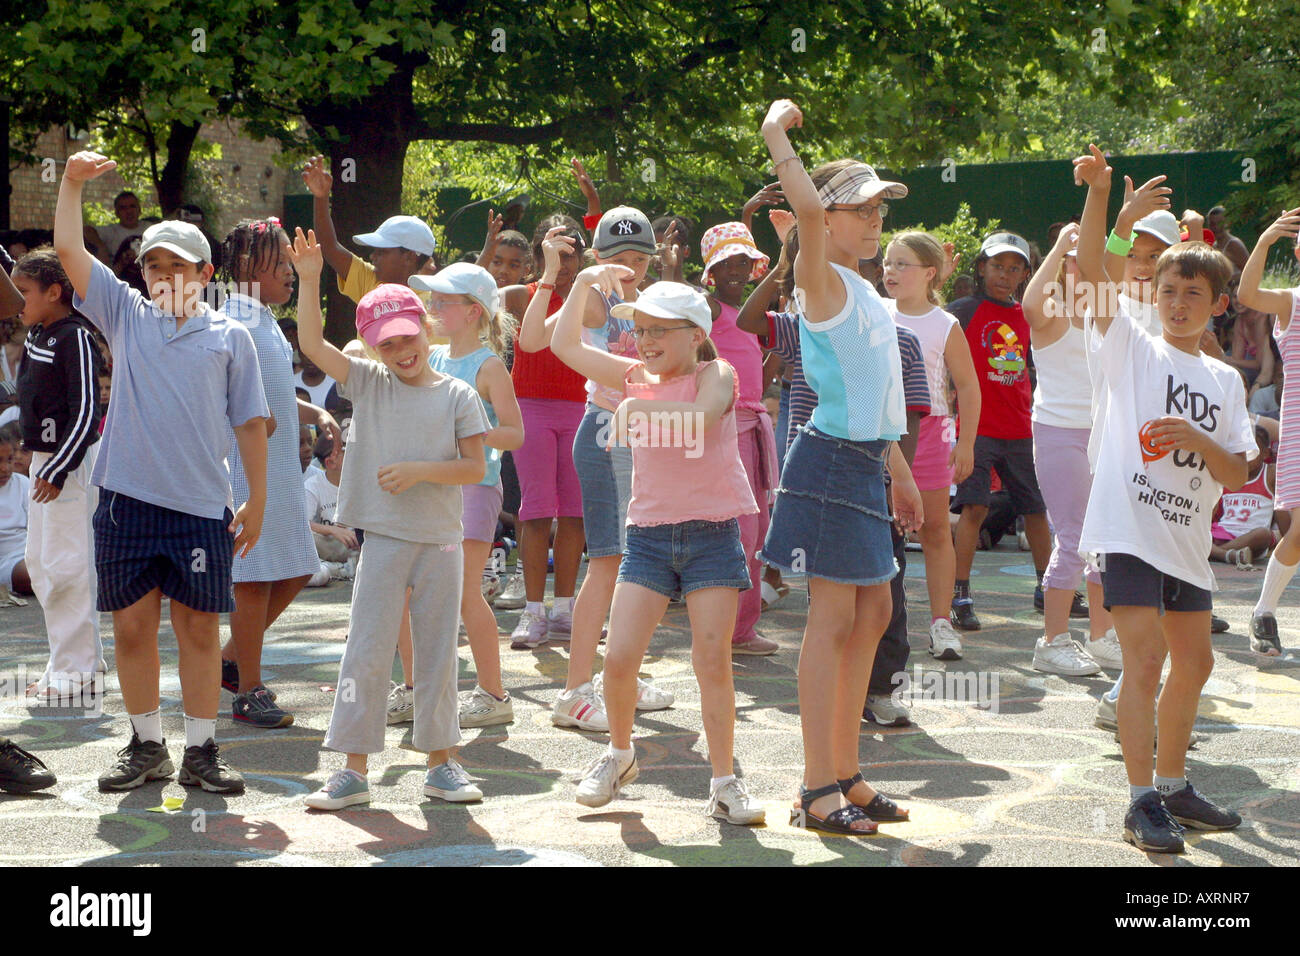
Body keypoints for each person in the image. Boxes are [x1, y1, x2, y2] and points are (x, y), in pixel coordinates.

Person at [55, 150, 268, 795]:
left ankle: (202, 750)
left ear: (205, 273)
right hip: (124, 504)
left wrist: (255, 498)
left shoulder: (234, 336)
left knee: (200, 629)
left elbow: (251, 426)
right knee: (131, 626)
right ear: (141, 273)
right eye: (154, 262)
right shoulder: (124, 315)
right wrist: (68, 183)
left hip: (201, 509)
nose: (166, 273)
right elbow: (67, 252)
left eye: (179, 264)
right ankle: (147, 744)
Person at [1074, 144, 1252, 853]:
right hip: (1129, 531)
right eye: (1168, 291)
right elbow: (1092, 276)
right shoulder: (1134, 347)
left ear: (1219, 304)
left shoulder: (1227, 381)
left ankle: (1175, 784)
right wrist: (1106, 206)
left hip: (1187, 545)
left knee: (1198, 664)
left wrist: (1197, 440)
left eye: (1193, 295)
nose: (1177, 304)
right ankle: (1141, 798)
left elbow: (1236, 473)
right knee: (1143, 661)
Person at [759, 99, 922, 835]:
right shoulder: (821, 279)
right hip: (826, 466)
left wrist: (902, 470)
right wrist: (774, 136)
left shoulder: (868, 294)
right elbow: (808, 217)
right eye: (858, 209)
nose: (873, 220)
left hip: (863, 465)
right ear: (825, 217)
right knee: (831, 621)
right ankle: (814, 788)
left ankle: (848, 772)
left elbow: (878, 397)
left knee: (875, 612)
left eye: (879, 210)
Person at [551, 270, 765, 825]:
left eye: (658, 332)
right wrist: (583, 281)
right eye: (639, 330)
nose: (644, 343)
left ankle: (723, 783)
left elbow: (701, 417)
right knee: (619, 660)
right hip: (646, 537)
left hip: (712, 535)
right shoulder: (632, 375)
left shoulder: (717, 371)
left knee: (711, 660)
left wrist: (635, 410)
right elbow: (563, 344)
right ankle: (619, 758)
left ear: (694, 334)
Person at [291, 230, 490, 811]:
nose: (401, 351)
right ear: (371, 348)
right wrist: (307, 280)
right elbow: (309, 340)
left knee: (435, 651)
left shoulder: (458, 394)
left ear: (426, 329)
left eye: (408, 338)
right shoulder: (370, 382)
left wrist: (419, 471)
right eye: (387, 344)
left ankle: (442, 762)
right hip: (382, 539)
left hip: (440, 542)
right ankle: (353, 769)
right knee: (367, 650)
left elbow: (475, 467)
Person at [216, 218, 340, 729]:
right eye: (281, 261)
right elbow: (234, 399)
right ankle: (248, 688)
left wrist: (316, 414)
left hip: (283, 469)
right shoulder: (230, 320)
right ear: (246, 265)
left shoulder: (263, 317)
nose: (290, 272)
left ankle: (229, 661)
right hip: (248, 472)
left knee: (292, 570)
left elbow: (268, 393)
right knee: (254, 577)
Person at [413, 262, 524, 729]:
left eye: (443, 301)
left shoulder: (489, 365)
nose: (433, 307)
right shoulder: (433, 358)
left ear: (474, 311)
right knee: (427, 591)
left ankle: (494, 694)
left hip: (475, 488)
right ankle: (424, 690)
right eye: (432, 299)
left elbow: (515, 434)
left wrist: (470, 439)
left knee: (464, 593)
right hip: (439, 488)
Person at [1020, 224, 1121, 674]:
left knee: (1101, 540)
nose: (1081, 268)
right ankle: (1053, 642)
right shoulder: (1051, 311)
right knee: (1074, 539)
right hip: (1058, 432)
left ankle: (1101, 637)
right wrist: (1061, 244)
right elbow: (1027, 304)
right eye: (1073, 262)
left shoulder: (1105, 311)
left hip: (1101, 435)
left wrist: (1126, 222)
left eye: (1088, 260)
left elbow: (1119, 270)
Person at [948, 231, 1059, 631]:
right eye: (998, 266)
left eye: (1015, 269)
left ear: (1026, 274)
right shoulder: (962, 310)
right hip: (976, 430)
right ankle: (959, 593)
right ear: (981, 267)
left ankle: (1049, 589)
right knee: (974, 509)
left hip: (1022, 429)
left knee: (1035, 509)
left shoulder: (1031, 313)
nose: (1005, 275)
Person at [880, 231, 982, 662]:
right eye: (887, 263)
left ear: (930, 273)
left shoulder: (945, 324)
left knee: (936, 530)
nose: (891, 271)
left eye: (902, 264)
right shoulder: (875, 313)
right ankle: (881, 623)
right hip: (882, 432)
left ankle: (941, 623)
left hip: (932, 432)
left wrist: (966, 443)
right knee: (883, 532)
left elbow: (969, 387)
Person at [11, 248, 105, 700]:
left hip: (66, 465)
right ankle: (64, 663)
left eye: (23, 291)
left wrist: (60, 467)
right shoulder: (37, 333)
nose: (15, 299)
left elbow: (86, 412)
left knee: (69, 567)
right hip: (40, 463)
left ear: (54, 292)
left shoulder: (76, 338)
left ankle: (80, 671)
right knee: (43, 566)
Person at [504, 216, 590, 648]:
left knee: (575, 512)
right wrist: (549, 275)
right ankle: (533, 613)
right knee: (536, 511)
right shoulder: (522, 295)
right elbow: (473, 293)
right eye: (557, 253)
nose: (566, 262)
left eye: (573, 253)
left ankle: (565, 611)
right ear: (540, 253)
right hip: (530, 409)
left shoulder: (589, 295)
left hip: (581, 407)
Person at [699, 221, 782, 656]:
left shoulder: (752, 316)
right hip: (726, 425)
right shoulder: (708, 309)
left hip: (753, 424)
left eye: (744, 262)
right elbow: (680, 314)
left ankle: (741, 626)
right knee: (740, 525)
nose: (736, 269)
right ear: (710, 271)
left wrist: (776, 362)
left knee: (760, 526)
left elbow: (759, 381)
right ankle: (732, 629)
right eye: (725, 262)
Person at [1238, 206, 1300, 656]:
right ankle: (1263, 612)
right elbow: (1247, 291)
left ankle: (1263, 613)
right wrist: (1263, 241)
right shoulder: (1291, 301)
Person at [302, 156, 437, 304]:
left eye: (382, 251)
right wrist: (321, 197)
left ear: (409, 257)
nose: (372, 256)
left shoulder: (431, 305)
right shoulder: (371, 280)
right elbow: (329, 248)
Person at [1209, 425, 1277, 566]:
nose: (1246, 456)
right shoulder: (1229, 477)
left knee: (1263, 534)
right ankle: (1227, 555)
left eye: (1252, 451)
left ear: (1265, 453)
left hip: (1251, 540)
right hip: (1223, 532)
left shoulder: (1270, 474)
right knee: (1198, 533)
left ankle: (1215, 553)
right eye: (1242, 450)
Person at [0, 430, 31, 596]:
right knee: (33, 574)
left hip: (27, 551)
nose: (5, 468)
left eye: (9, 460)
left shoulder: (23, 484)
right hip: (6, 560)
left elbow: (37, 526)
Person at [96, 191, 145, 267]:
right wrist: (100, 248)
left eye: (132, 206)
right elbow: (86, 231)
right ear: (117, 213)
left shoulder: (151, 228)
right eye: (123, 208)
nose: (129, 211)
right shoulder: (110, 231)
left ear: (139, 210)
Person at [1205, 206, 1250, 272]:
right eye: (1212, 224)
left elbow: (1250, 271)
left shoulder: (1234, 244)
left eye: (1220, 223)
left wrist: (1228, 279)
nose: (1216, 227)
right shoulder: (1213, 246)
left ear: (1228, 223)